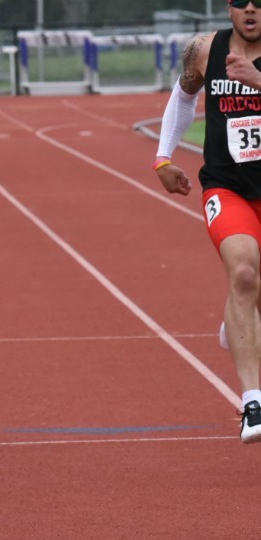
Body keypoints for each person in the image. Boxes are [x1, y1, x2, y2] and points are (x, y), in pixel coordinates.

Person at [153, 0, 261, 444]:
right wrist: (163, 157)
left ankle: (239, 318)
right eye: (241, 1)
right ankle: (253, 404)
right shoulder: (204, 50)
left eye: (258, 1)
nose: (251, 9)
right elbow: (183, 97)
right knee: (244, 272)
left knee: (251, 295)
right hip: (226, 188)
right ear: (228, 7)